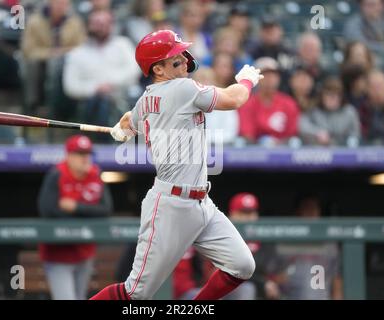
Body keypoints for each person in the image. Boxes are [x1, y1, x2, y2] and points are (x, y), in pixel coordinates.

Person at [90, 29, 263, 300]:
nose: (183, 60)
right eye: (175, 58)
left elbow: (129, 122)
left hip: (201, 202)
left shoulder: (144, 99)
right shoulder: (182, 88)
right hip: (170, 205)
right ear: (158, 68)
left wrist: (122, 128)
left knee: (242, 265)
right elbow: (235, 98)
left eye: (181, 54)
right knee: (135, 294)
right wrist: (246, 80)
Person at [38, 135, 113, 300]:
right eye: (80, 154)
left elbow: (106, 209)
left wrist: (75, 207)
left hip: (85, 252)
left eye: (88, 154)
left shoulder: (95, 175)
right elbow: (47, 210)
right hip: (58, 253)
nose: (86, 158)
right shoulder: (57, 175)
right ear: (69, 156)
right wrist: (88, 212)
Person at [63, 10, 140, 130]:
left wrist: (111, 83)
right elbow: (71, 86)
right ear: (88, 25)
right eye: (97, 23)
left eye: (104, 24)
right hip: (90, 102)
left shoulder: (123, 45)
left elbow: (135, 70)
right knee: (100, 104)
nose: (100, 28)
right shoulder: (77, 53)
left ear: (112, 25)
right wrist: (95, 88)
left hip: (122, 97)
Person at [269, 194, 343, 300]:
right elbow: (269, 276)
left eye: (314, 208)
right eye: (307, 208)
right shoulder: (283, 242)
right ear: (297, 212)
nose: (311, 212)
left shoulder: (329, 243)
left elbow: (337, 279)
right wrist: (276, 279)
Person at [20, 0, 86, 114]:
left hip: (68, 62)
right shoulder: (34, 21)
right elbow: (28, 50)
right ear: (50, 3)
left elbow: (82, 48)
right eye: (57, 3)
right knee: (33, 64)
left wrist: (62, 53)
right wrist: (51, 54)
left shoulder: (75, 22)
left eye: (64, 3)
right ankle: (33, 106)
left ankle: (69, 109)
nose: (60, 6)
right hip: (42, 64)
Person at [238, 57, 299, 146]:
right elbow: (247, 134)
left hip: (283, 150)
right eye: (264, 75)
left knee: (295, 142)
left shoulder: (288, 103)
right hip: (255, 150)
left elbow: (292, 133)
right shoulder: (248, 103)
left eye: (273, 75)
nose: (269, 79)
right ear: (256, 79)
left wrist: (276, 144)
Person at [299, 77, 361, 146]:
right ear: (322, 96)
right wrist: (318, 132)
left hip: (342, 150)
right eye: (328, 95)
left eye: (336, 95)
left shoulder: (349, 112)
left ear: (341, 97)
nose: (332, 99)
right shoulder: (313, 109)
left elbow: (355, 134)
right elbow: (302, 126)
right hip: (318, 150)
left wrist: (349, 141)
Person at [358, 69, 384, 145]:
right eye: (374, 87)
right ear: (367, 89)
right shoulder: (360, 109)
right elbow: (359, 136)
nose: (378, 90)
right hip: (366, 151)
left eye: (380, 86)